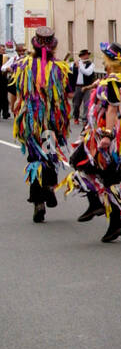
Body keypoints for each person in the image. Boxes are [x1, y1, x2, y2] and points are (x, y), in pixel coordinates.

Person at [65, 42, 121, 242]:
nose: (104, 64)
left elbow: (112, 109)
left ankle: (98, 206)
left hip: (110, 138)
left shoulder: (114, 83)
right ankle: (113, 223)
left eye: (106, 60)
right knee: (111, 179)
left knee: (80, 162)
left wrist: (107, 135)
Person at [9, 28, 72, 223]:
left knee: (35, 158)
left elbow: (13, 90)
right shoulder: (59, 68)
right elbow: (68, 95)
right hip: (51, 124)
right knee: (49, 155)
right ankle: (48, 187)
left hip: (30, 122)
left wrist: (14, 108)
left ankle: (38, 202)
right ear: (53, 47)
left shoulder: (23, 66)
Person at [69, 49, 98, 127]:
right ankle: (76, 117)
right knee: (76, 103)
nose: (87, 56)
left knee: (86, 103)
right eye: (85, 55)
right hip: (77, 86)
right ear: (81, 56)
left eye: (87, 55)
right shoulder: (73, 64)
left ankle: (85, 119)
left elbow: (87, 73)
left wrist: (80, 66)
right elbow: (69, 74)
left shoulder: (91, 64)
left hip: (87, 86)